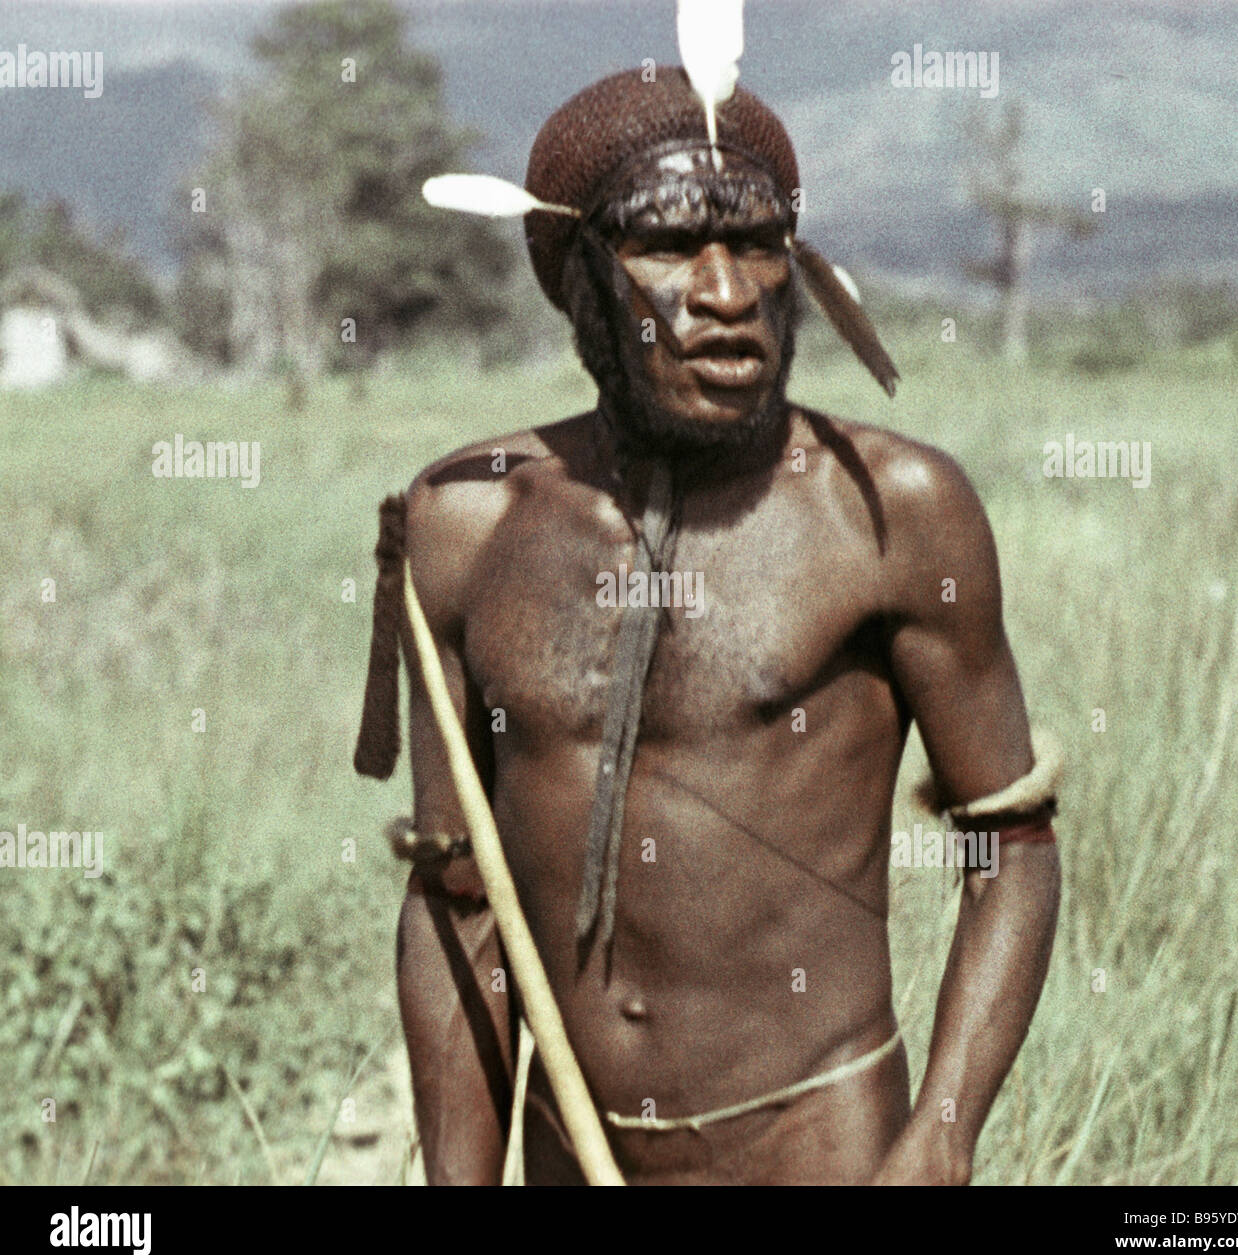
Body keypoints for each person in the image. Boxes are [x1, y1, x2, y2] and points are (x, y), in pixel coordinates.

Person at [355, 67, 1060, 1186]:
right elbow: (457, 900)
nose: (727, 291)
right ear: (585, 283)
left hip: (824, 1155)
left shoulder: (891, 510)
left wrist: (939, 1139)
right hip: (570, 1151)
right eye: (671, 248)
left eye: (760, 244)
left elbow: (1008, 845)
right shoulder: (464, 523)